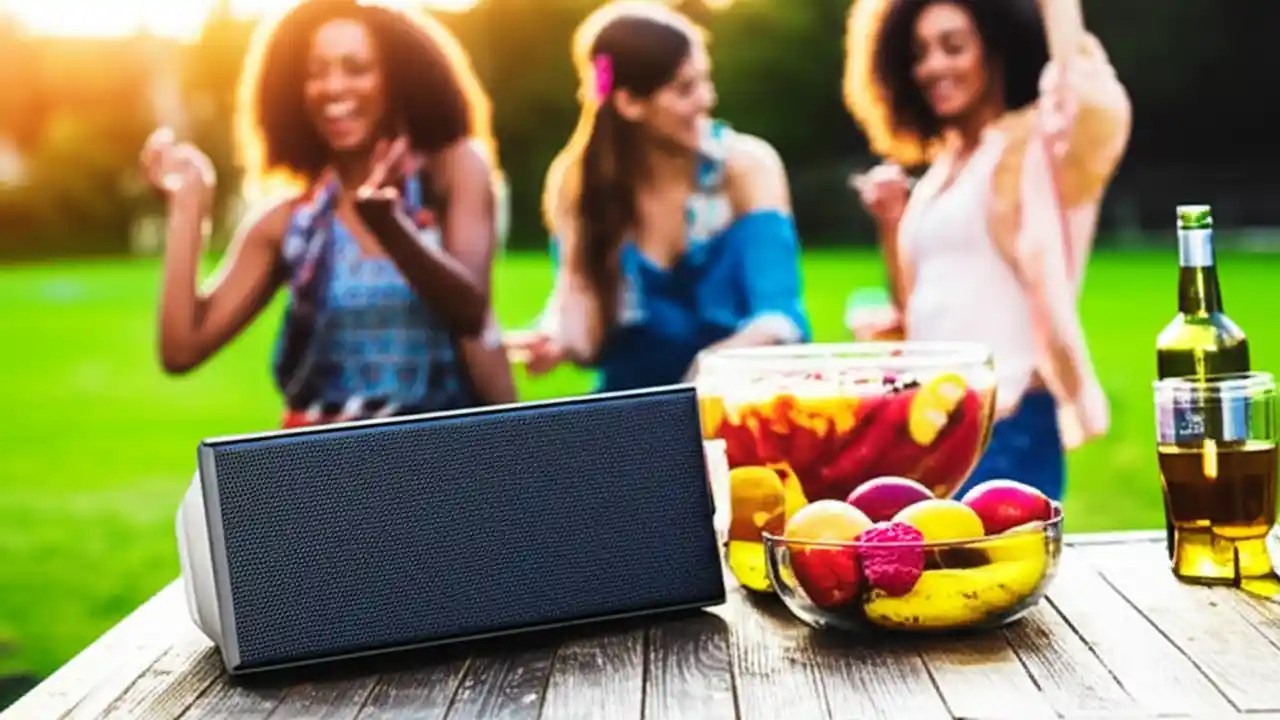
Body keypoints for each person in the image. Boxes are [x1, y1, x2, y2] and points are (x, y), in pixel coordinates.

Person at [138, 0, 515, 428]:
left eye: (356, 68)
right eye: (315, 73)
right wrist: (189, 203)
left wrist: (391, 226)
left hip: (438, 457)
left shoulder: (452, 170)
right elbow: (180, 349)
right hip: (324, 472)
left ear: (396, 79)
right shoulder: (291, 222)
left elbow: (471, 310)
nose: (333, 87)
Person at [843, 0, 1131, 498]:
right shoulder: (938, 174)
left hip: (1009, 422)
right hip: (932, 425)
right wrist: (892, 225)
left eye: (953, 47)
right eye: (919, 52)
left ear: (997, 48)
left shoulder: (1034, 149)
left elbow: (1083, 98)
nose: (932, 66)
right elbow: (922, 310)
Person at [505, 0, 812, 392]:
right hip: (632, 408)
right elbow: (581, 312)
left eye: (705, 80)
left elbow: (779, 317)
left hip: (742, 403)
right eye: (685, 88)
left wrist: (705, 372)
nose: (706, 99)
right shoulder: (578, 181)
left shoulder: (747, 167)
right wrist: (557, 339)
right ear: (630, 102)